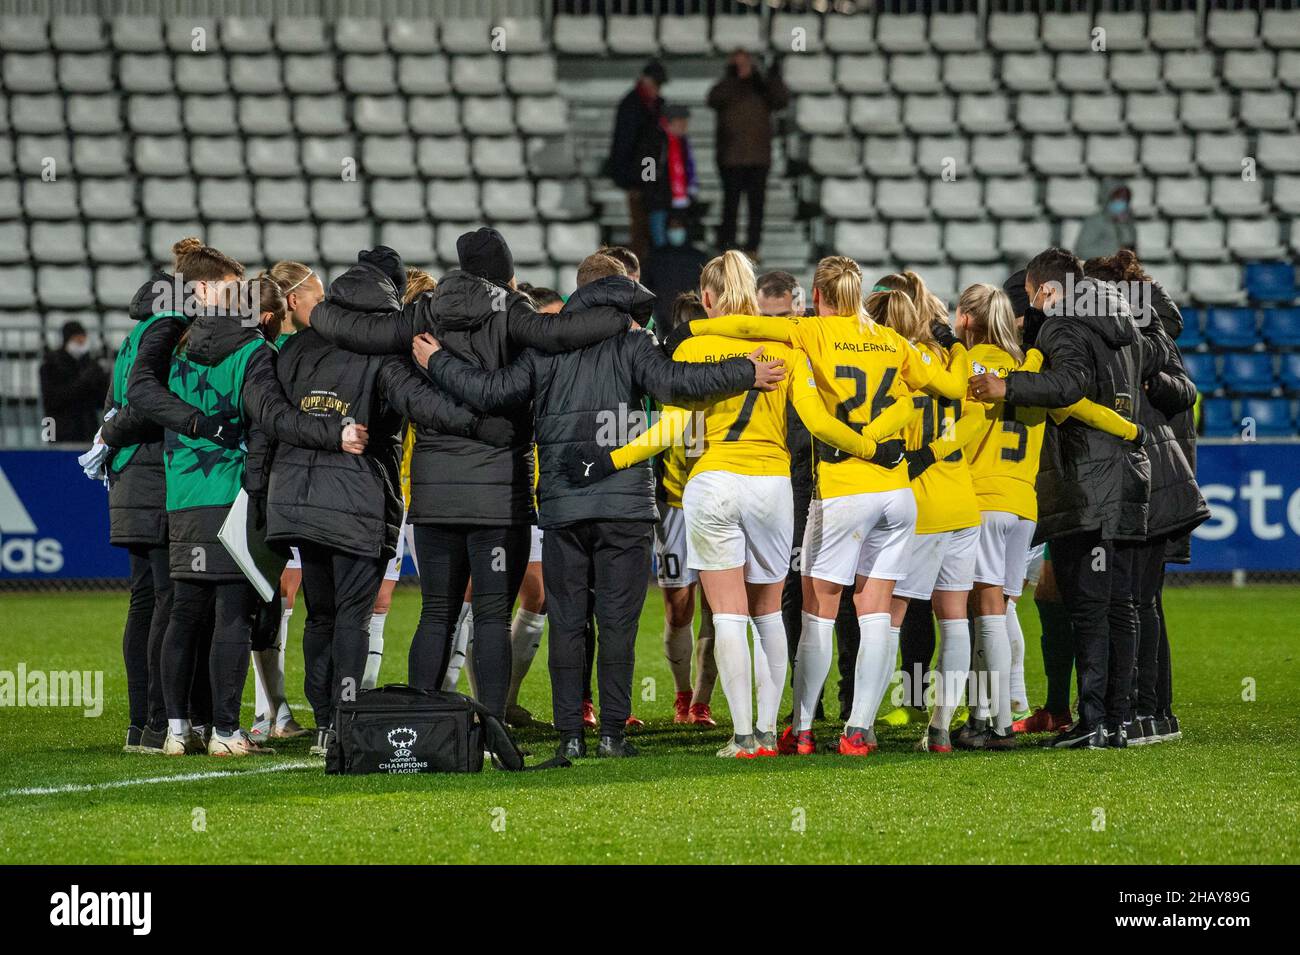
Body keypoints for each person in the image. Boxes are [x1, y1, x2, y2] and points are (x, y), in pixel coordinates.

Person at [414, 252, 784, 759]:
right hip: (626, 505)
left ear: (579, 289)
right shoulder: (635, 341)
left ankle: (570, 735)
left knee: (568, 621)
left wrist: (437, 361)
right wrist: (746, 370)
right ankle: (612, 732)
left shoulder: (544, 346)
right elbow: (677, 387)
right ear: (620, 289)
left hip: (565, 503)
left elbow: (493, 391)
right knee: (618, 622)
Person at [584, 251, 908, 758]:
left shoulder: (694, 346)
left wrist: (613, 459)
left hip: (714, 482)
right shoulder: (788, 349)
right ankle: (773, 728)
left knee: (728, 616)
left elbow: (670, 428)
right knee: (769, 614)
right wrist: (873, 447)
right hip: (774, 485)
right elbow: (816, 421)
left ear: (707, 298)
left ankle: (744, 737)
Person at [307, 228, 631, 720]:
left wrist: (316, 309)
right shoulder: (514, 310)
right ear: (506, 269)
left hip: (435, 494)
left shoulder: (425, 310)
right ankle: (492, 726)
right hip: (499, 495)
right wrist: (628, 306)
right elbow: (560, 335)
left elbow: (362, 336)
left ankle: (420, 728)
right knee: (492, 618)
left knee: (436, 611)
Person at [667, 258, 974, 756]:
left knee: (818, 613)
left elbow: (746, 325)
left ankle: (803, 727)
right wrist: (957, 345)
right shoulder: (893, 342)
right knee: (876, 616)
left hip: (842, 487)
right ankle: (859, 729)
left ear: (818, 294)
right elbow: (954, 387)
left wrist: (693, 328)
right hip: (897, 493)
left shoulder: (810, 333)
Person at [269, 250, 507, 754]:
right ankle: (339, 721)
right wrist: (483, 423)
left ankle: (321, 717)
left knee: (320, 615)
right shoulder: (384, 348)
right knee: (353, 616)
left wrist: (260, 486)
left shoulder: (293, 349)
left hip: (298, 500)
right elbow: (421, 404)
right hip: (357, 496)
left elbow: (267, 417)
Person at [161, 269, 367, 757]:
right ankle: (227, 732)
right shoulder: (255, 353)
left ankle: (176, 729)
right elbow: (270, 417)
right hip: (231, 494)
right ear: (266, 315)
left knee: (185, 612)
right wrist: (331, 434)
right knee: (234, 613)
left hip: (181, 493)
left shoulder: (182, 349)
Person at [969, 248, 1169, 749]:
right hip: (1128, 474)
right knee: (1121, 605)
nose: (1034, 306)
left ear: (1048, 290)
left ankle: (1094, 721)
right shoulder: (1121, 318)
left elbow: (1070, 384)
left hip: (1087, 477)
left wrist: (1005, 384)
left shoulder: (1062, 325)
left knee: (1088, 608)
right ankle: (1119, 722)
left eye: (1035, 295)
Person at [1083, 251, 1207, 745]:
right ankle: (1154, 712)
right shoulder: (1156, 340)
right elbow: (1185, 390)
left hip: (1147, 478)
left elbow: (1181, 392)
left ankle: (1138, 710)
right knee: (1144, 601)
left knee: (1131, 601)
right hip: (1164, 476)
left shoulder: (1132, 343)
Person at [248, 259, 323, 744]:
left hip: (277, 484)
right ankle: (268, 713)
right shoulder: (282, 353)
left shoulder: (269, 350)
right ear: (292, 301)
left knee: (273, 597)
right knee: (272, 597)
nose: (325, 304)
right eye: (318, 295)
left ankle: (272, 713)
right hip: (280, 486)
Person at [706, 48, 789, 257]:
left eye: (745, 63)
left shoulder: (761, 87)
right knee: (730, 207)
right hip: (731, 158)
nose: (742, 67)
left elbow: (781, 100)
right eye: (737, 63)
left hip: (758, 158)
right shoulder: (727, 87)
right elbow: (713, 99)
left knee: (756, 207)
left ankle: (753, 247)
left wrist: (772, 76)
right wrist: (734, 78)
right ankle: (728, 246)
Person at [606, 60, 668, 264]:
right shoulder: (632, 105)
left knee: (651, 227)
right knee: (640, 227)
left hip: (652, 173)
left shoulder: (655, 104)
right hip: (640, 174)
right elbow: (625, 145)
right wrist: (632, 181)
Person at [41, 320, 109, 443]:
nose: (81, 342)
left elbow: (102, 401)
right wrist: (83, 382)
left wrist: (102, 379)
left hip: (87, 429)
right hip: (61, 430)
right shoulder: (51, 365)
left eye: (83, 338)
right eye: (77, 339)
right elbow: (53, 399)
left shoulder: (90, 364)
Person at [641, 216, 710, 334]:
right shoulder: (656, 257)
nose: (676, 231)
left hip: (692, 315)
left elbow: (706, 286)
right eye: (672, 227)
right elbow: (646, 284)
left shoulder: (698, 257)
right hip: (663, 317)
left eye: (678, 227)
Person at [647, 104, 698, 250]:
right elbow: (647, 166)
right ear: (669, 122)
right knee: (660, 243)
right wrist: (652, 192)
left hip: (681, 201)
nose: (685, 127)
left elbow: (688, 167)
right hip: (660, 201)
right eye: (681, 122)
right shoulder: (654, 141)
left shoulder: (683, 142)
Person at [1074, 179, 1137, 262]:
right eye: (1118, 198)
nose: (1122, 202)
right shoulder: (1095, 221)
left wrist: (1123, 226)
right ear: (1108, 198)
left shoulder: (1128, 222)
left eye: (1125, 199)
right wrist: (1113, 253)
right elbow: (1082, 250)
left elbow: (1130, 245)